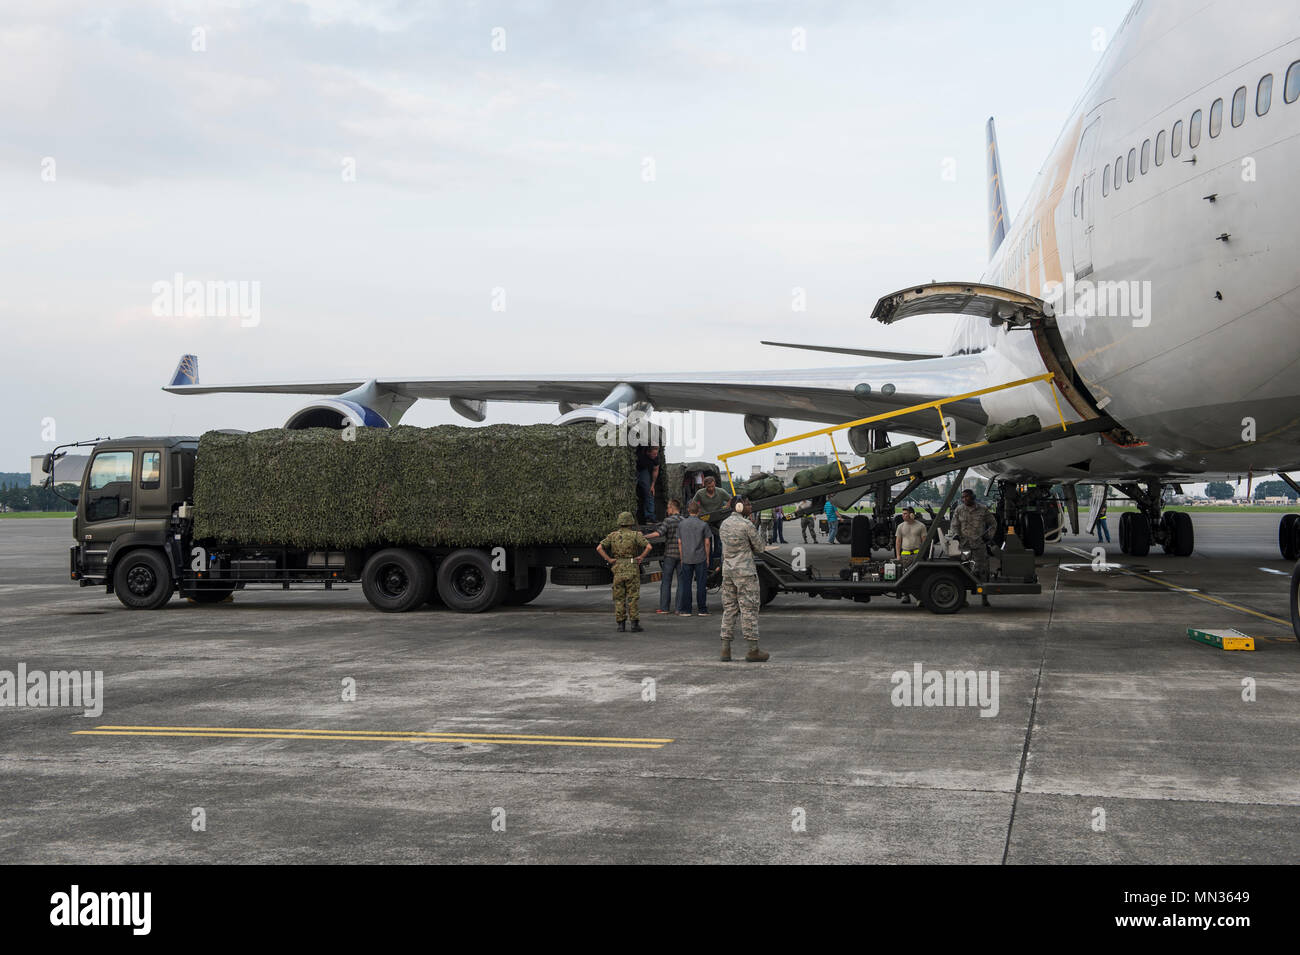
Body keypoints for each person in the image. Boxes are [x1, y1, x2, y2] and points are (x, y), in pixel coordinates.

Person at [719, 497, 769, 662]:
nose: (751, 506)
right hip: (745, 573)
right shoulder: (747, 525)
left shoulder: (724, 524)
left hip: (728, 572)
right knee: (749, 609)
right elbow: (760, 547)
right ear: (739, 507)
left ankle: (725, 649)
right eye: (748, 504)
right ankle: (753, 650)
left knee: (729, 609)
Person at [596, 511, 651, 631]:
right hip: (632, 566)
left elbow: (599, 548)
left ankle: (621, 625)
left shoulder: (613, 535)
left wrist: (609, 559)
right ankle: (634, 624)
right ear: (630, 522)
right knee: (633, 597)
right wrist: (641, 557)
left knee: (619, 597)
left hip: (618, 567)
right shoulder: (636, 535)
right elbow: (648, 546)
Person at [952, 488, 996, 605]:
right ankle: (963, 599)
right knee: (964, 571)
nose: (964, 499)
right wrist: (956, 535)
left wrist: (988, 536)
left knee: (983, 571)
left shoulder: (983, 509)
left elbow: (993, 524)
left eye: (967, 497)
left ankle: (984, 598)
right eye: (963, 497)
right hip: (964, 546)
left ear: (973, 497)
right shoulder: (959, 510)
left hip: (979, 545)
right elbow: (955, 525)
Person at [645, 499, 683, 614]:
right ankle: (679, 609)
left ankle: (664, 608)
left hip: (669, 555)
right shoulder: (684, 520)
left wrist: (645, 536)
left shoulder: (668, 521)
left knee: (666, 581)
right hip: (682, 556)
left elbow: (658, 533)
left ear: (672, 507)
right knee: (681, 583)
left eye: (668, 507)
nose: (667, 510)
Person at [676, 500, 711, 615]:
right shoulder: (703, 524)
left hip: (686, 558)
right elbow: (707, 543)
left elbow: (680, 543)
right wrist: (707, 557)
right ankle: (702, 609)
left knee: (686, 584)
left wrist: (682, 558)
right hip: (700, 557)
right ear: (699, 511)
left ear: (688, 510)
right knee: (701, 584)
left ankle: (686, 609)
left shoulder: (681, 524)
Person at [691, 474, 732, 570]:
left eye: (712, 486)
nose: (711, 488)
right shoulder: (700, 493)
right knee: (707, 541)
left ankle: (718, 562)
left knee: (719, 540)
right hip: (706, 519)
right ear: (705, 486)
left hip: (718, 519)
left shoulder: (720, 491)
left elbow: (730, 499)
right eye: (708, 487)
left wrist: (727, 506)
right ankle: (708, 563)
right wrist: (699, 510)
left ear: (715, 484)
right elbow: (694, 502)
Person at [895, 506, 928, 605]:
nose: (903, 515)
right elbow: (898, 542)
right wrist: (898, 556)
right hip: (905, 555)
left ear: (912, 514)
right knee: (904, 577)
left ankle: (920, 598)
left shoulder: (921, 526)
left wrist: (923, 556)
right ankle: (906, 596)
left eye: (905, 513)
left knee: (918, 577)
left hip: (917, 555)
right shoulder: (900, 526)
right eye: (903, 513)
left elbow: (924, 542)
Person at [635, 445, 661, 523]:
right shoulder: (640, 453)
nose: (656, 456)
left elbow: (655, 470)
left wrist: (652, 485)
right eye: (654, 454)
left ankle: (650, 517)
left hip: (643, 471)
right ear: (648, 452)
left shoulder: (656, 458)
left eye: (657, 454)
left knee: (649, 492)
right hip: (634, 469)